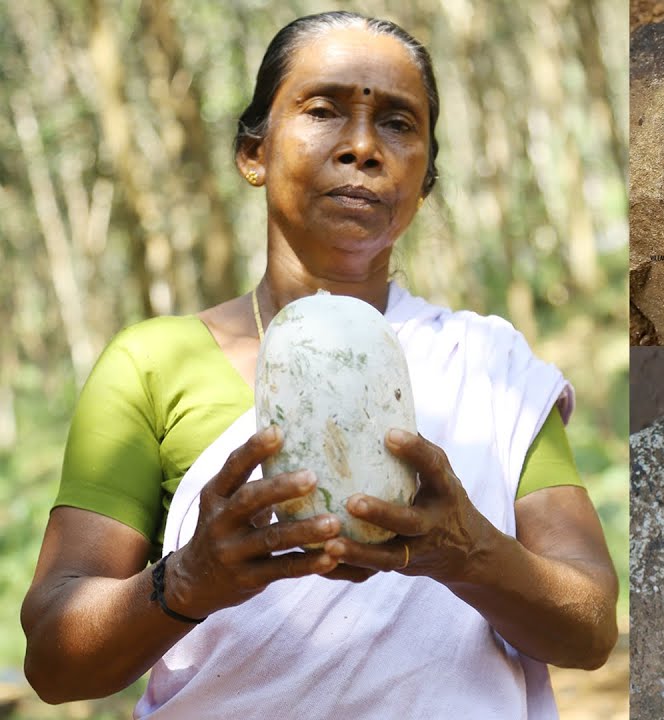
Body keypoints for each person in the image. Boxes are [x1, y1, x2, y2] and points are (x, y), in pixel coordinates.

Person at [20, 11, 618, 718]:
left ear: (424, 180)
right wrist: (186, 582)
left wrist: (469, 554)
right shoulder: (154, 363)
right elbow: (54, 663)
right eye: (323, 109)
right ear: (253, 151)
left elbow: (591, 629)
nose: (363, 146)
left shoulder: (490, 365)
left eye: (398, 123)